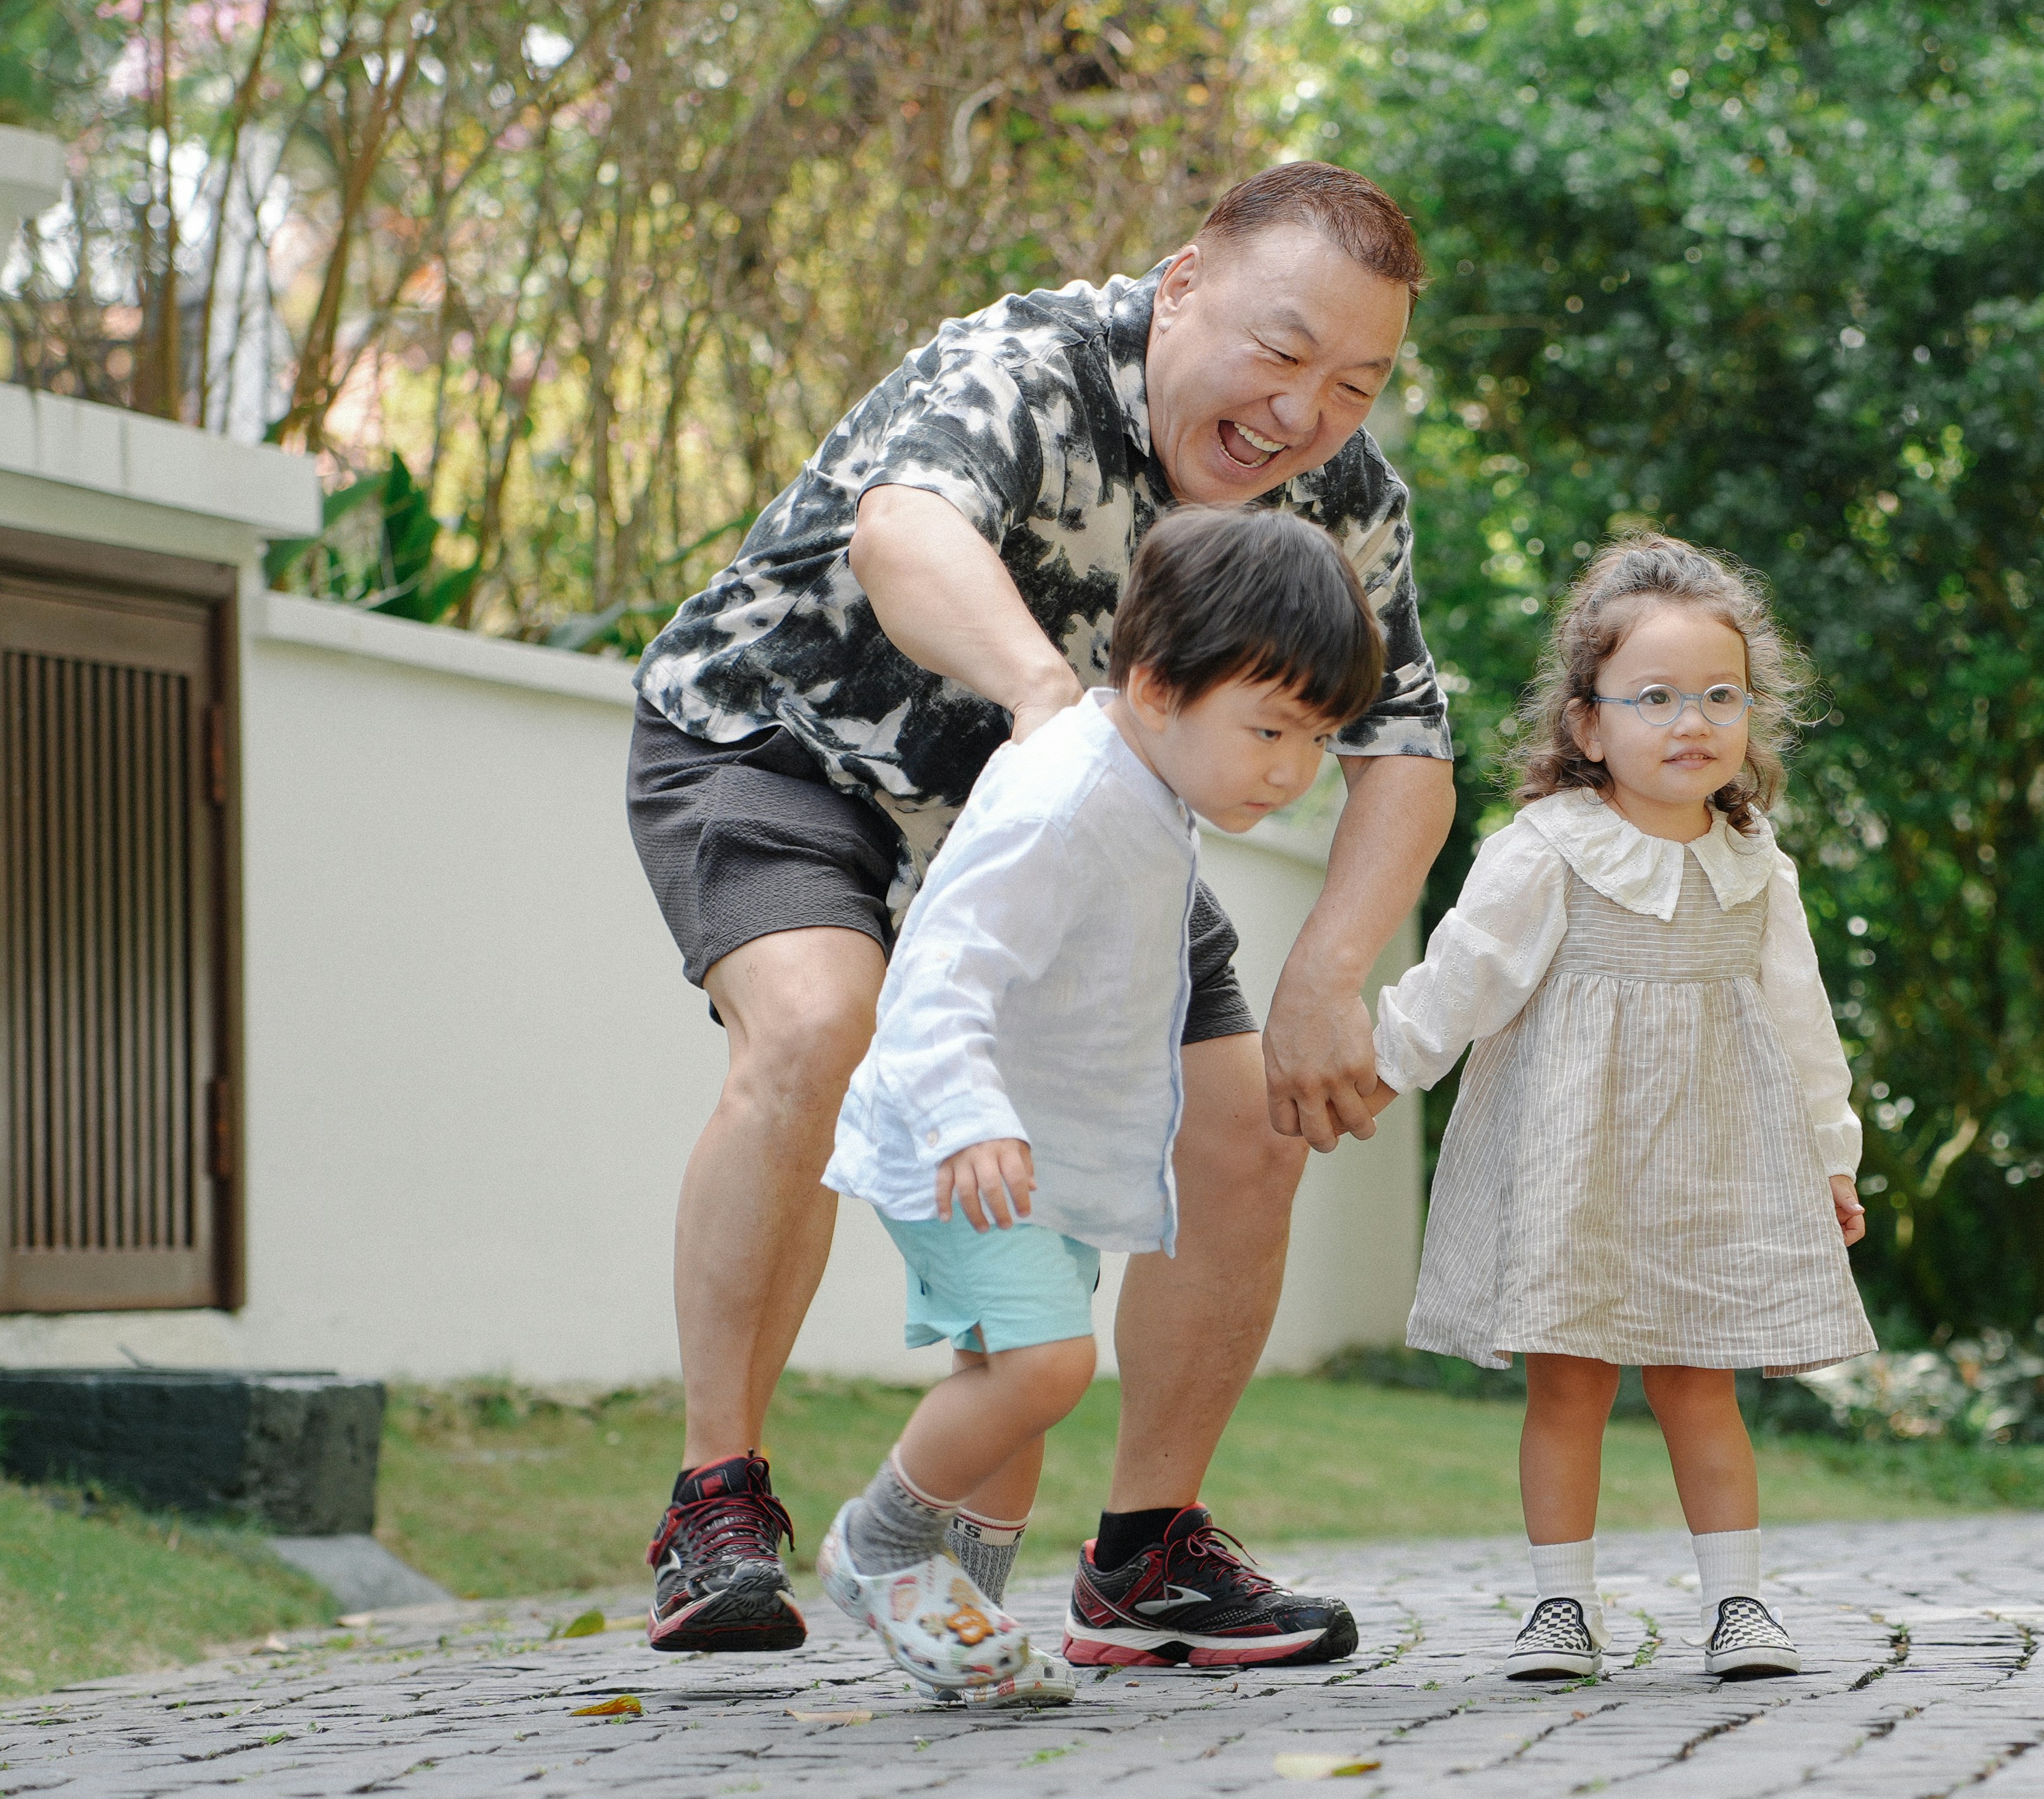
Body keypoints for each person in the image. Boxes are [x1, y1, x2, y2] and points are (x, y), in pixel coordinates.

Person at [625, 161, 1453, 1659]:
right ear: (1182, 285)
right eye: (1280, 350)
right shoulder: (1024, 366)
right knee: (818, 1027)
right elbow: (905, 537)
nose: (1304, 413)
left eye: (1356, 382)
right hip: (801, 756)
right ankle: (716, 1501)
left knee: (1251, 1127)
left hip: (1090, 832)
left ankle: (1146, 1562)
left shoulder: (1345, 496)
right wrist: (1040, 700)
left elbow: (1408, 749)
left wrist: (1333, 973)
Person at [814, 507, 1386, 1703]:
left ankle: (961, 1620)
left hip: (1034, 1155)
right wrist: (971, 1117)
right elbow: (937, 970)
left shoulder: (1144, 787)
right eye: (1269, 728)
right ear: (1159, 683)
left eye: (1318, 740)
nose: (1289, 770)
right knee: (1043, 1370)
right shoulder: (1067, 801)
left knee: (1008, 1399)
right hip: (960, 1138)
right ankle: (881, 1549)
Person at [1365, 537, 1874, 1683]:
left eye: (1719, 696)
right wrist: (1370, 1068)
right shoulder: (1550, 848)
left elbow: (1802, 1027)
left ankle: (1739, 1604)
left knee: (1704, 1382)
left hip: (1715, 1159)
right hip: (1574, 1157)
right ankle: (1561, 1607)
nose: (1690, 721)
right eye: (1654, 698)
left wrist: (1828, 1159)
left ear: (1753, 716)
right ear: (1588, 724)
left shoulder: (1757, 865)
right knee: (1570, 1386)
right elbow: (1465, 977)